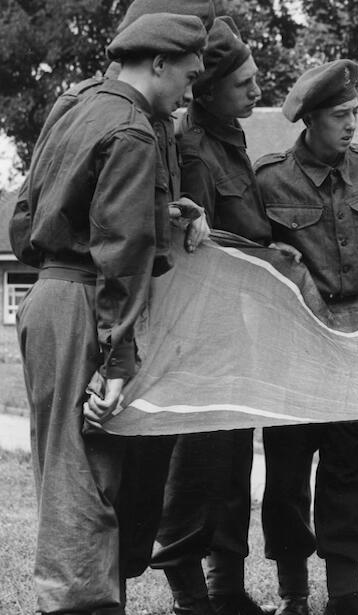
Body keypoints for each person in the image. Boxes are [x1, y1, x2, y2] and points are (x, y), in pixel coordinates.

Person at [12, 14, 207, 615]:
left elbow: (24, 225)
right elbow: (121, 258)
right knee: (85, 479)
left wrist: (161, 212)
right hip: (85, 303)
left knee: (68, 471)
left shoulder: (71, 110)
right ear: (158, 64)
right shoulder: (135, 132)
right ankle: (78, 606)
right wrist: (116, 360)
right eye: (188, 75)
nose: (190, 92)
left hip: (47, 294)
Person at [150, 16, 298, 615]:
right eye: (245, 84)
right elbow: (197, 246)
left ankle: (227, 589)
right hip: (201, 332)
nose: (257, 91)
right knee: (196, 466)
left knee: (234, 462)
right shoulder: (190, 144)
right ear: (206, 91)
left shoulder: (231, 140)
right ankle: (190, 593)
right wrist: (264, 255)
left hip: (240, 330)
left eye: (257, 79)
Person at [255, 59, 358, 615]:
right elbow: (247, 251)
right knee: (288, 474)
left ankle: (345, 595)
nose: (350, 126)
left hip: (354, 342)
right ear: (310, 120)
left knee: (350, 466)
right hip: (293, 348)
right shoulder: (268, 177)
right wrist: (272, 255)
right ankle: (293, 596)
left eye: (354, 114)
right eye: (340, 116)